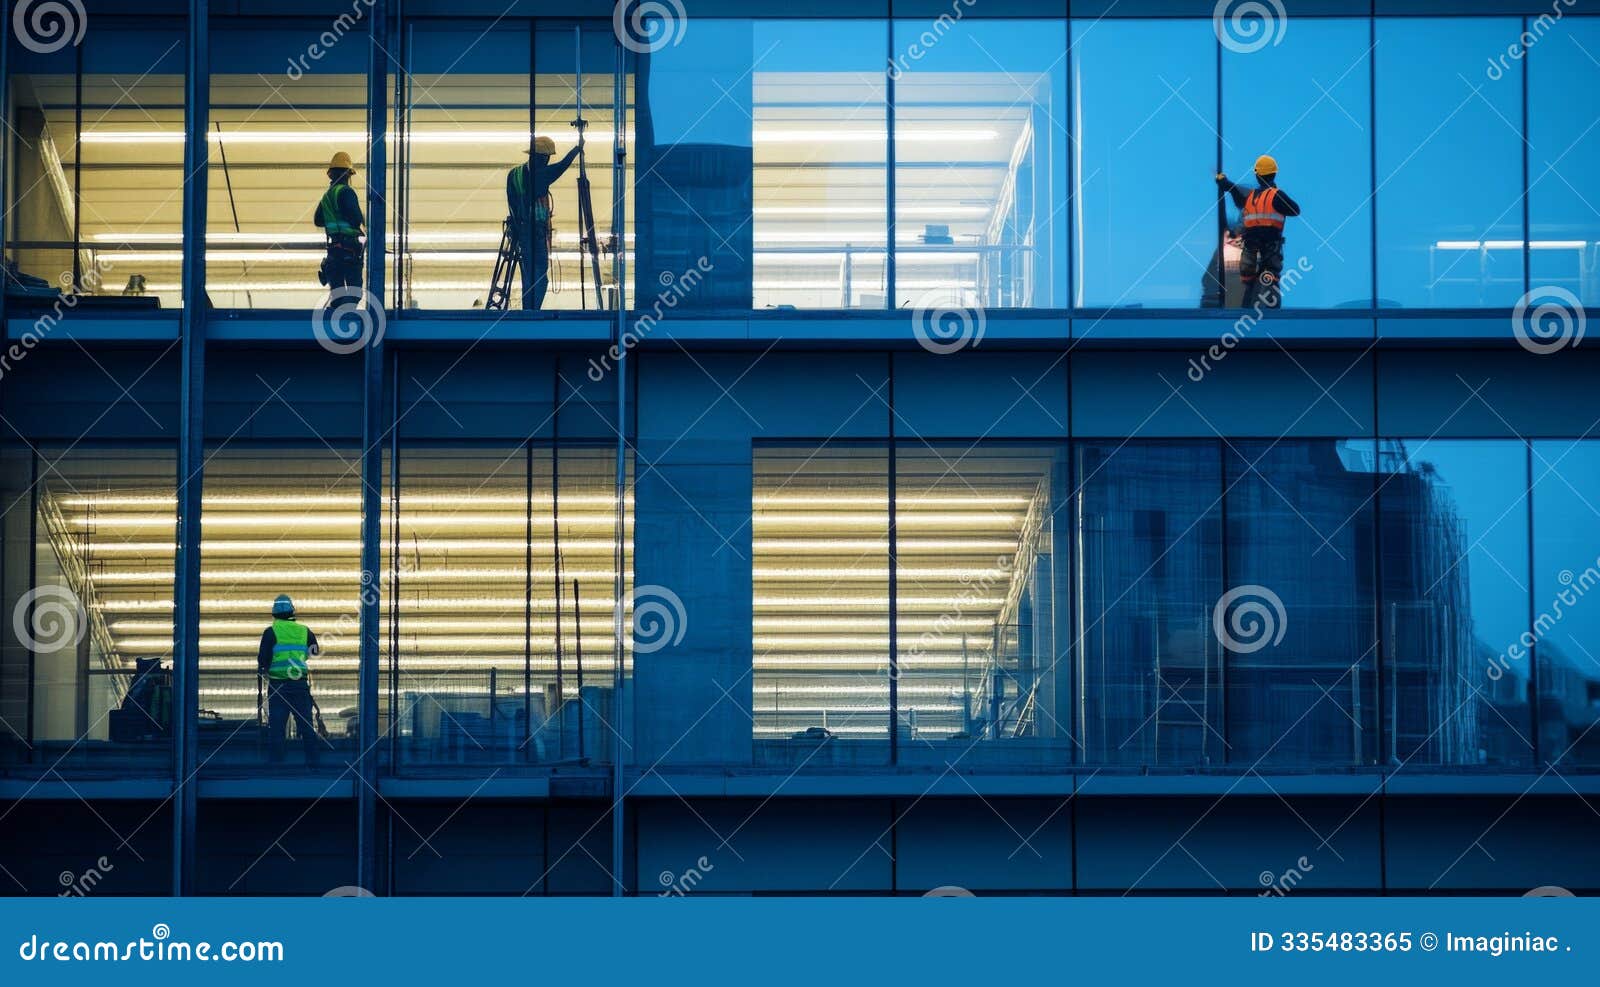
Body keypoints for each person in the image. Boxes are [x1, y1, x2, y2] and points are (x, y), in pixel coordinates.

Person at [1216, 154, 1300, 309]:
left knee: (1249, 282)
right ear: (1274, 174)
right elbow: (1295, 210)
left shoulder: (1250, 197)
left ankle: (1245, 310)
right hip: (1270, 249)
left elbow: (1234, 191)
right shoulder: (1276, 195)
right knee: (1271, 280)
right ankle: (1272, 314)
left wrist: (1223, 182)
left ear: (1257, 175)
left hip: (1251, 249)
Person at [506, 136, 580, 310]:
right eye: (547, 158)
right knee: (540, 275)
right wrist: (576, 150)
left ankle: (527, 309)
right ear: (542, 157)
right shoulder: (540, 175)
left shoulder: (514, 174)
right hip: (535, 233)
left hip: (519, 232)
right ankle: (532, 312)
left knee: (528, 275)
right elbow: (561, 167)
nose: (547, 162)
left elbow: (512, 202)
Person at [258, 594, 322, 766]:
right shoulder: (304, 631)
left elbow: (262, 660)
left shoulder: (270, 632)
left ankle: (276, 765)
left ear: (274, 613)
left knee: (277, 728)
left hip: (279, 687)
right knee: (306, 726)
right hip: (299, 685)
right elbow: (315, 651)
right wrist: (300, 657)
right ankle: (313, 764)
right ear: (293, 611)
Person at [314, 151, 365, 297]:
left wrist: (334, 217)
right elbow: (356, 220)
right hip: (350, 249)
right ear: (348, 174)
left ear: (331, 174)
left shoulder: (327, 196)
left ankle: (339, 315)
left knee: (337, 293)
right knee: (354, 292)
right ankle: (348, 316)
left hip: (334, 251)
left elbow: (318, 220)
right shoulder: (346, 192)